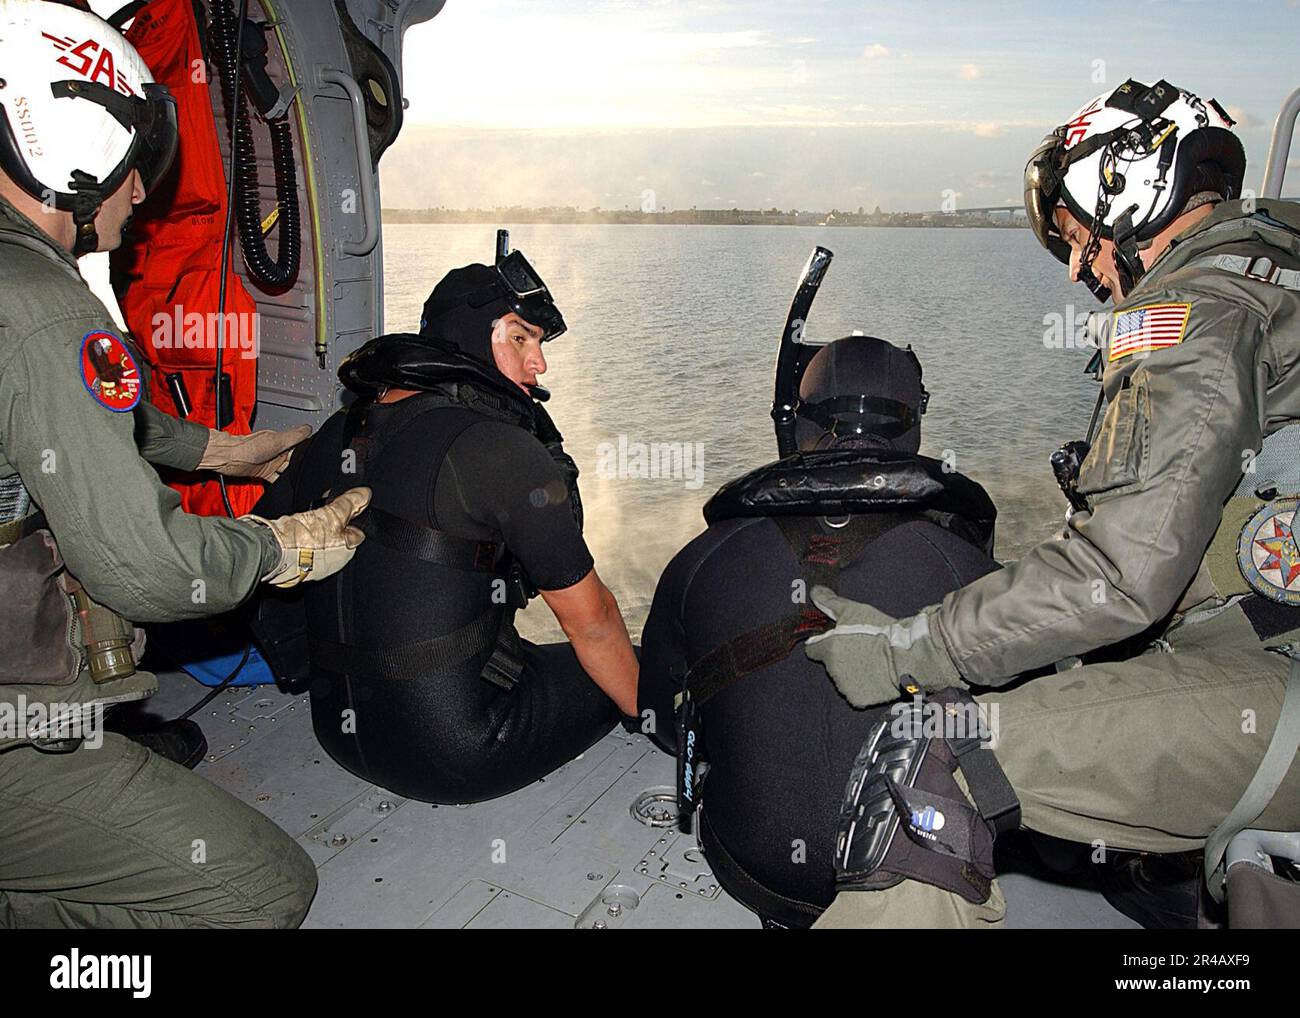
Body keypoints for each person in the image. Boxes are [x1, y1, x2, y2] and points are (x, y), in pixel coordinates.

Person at [804, 78, 1300, 928]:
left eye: (1076, 239)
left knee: (937, 760)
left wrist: (902, 650)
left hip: (1276, 675)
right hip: (1266, 650)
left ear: (1134, 185)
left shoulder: (1198, 310)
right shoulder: (1272, 280)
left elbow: (1118, 575)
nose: (1076, 267)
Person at [0, 0, 369, 928]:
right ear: (73, 145)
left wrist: (221, 447)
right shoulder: (44, 305)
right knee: (259, 893)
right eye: (133, 167)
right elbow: (152, 571)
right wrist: (277, 546)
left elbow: (80, 409)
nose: (142, 193)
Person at [251, 248, 639, 804]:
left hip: (336, 732)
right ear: (473, 336)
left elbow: (263, 578)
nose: (540, 364)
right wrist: (655, 719)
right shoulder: (501, 449)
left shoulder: (332, 433)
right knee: (636, 663)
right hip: (460, 754)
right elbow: (593, 623)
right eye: (520, 338)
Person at [639, 335, 1002, 927]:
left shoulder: (700, 558)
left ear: (800, 425)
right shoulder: (974, 573)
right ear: (911, 428)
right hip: (912, 880)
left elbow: (658, 720)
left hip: (750, 869)